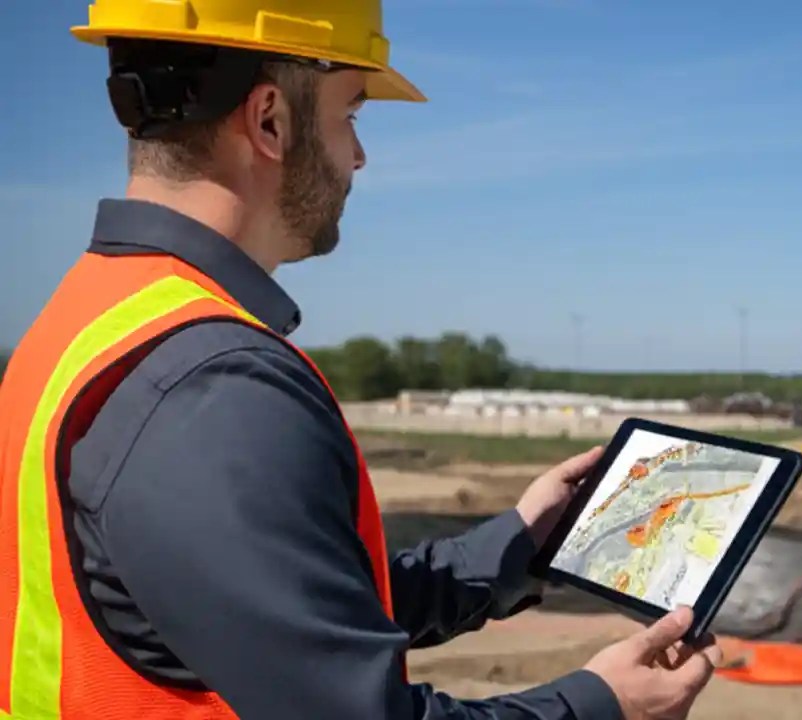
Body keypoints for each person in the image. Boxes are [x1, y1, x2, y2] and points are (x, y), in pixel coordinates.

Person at [0, 2, 720, 718]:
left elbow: (286, 611)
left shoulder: (94, 315)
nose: (359, 156)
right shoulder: (214, 387)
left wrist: (515, 545)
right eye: (350, 114)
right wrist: (605, 705)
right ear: (270, 120)